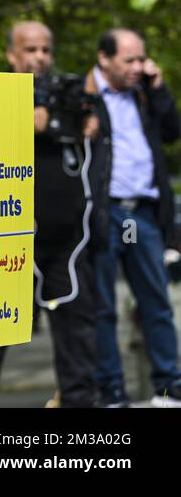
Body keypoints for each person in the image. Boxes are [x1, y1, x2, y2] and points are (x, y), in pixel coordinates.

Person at [0, 21, 103, 407]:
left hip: (66, 245)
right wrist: (16, 123)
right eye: (30, 50)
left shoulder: (65, 97)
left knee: (78, 333)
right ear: (11, 54)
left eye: (45, 49)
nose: (40, 57)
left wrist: (87, 125)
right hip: (8, 241)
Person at [88, 28, 181, 407]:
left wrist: (158, 89)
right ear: (104, 58)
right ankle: (111, 390)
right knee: (103, 306)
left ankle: (168, 386)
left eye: (141, 59)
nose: (138, 66)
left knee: (156, 301)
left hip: (143, 212)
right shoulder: (85, 96)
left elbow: (174, 132)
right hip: (104, 212)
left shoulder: (144, 94)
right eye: (130, 60)